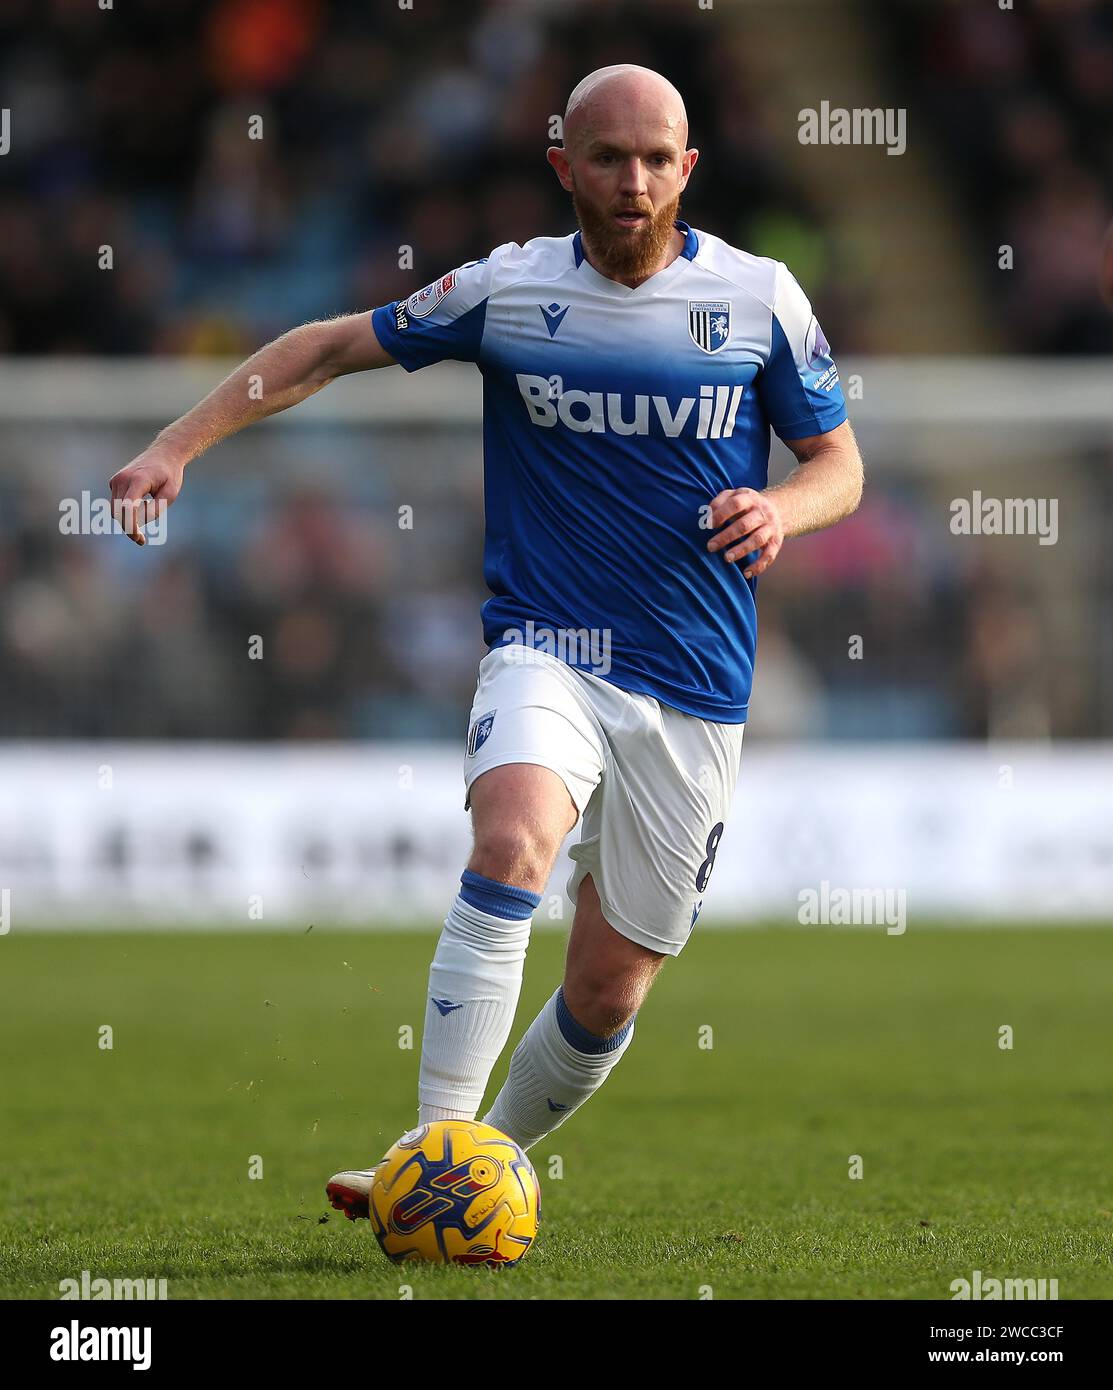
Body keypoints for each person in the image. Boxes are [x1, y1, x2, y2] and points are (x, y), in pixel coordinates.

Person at [108, 64, 864, 1218]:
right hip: (546, 647)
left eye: (658, 158)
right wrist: (175, 445)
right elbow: (323, 347)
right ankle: (434, 1154)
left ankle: (476, 1162)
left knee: (609, 991)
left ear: (689, 168)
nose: (634, 181)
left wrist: (782, 509)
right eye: (608, 157)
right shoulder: (508, 292)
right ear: (564, 166)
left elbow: (839, 465)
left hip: (696, 684)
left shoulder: (761, 300)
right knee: (510, 843)